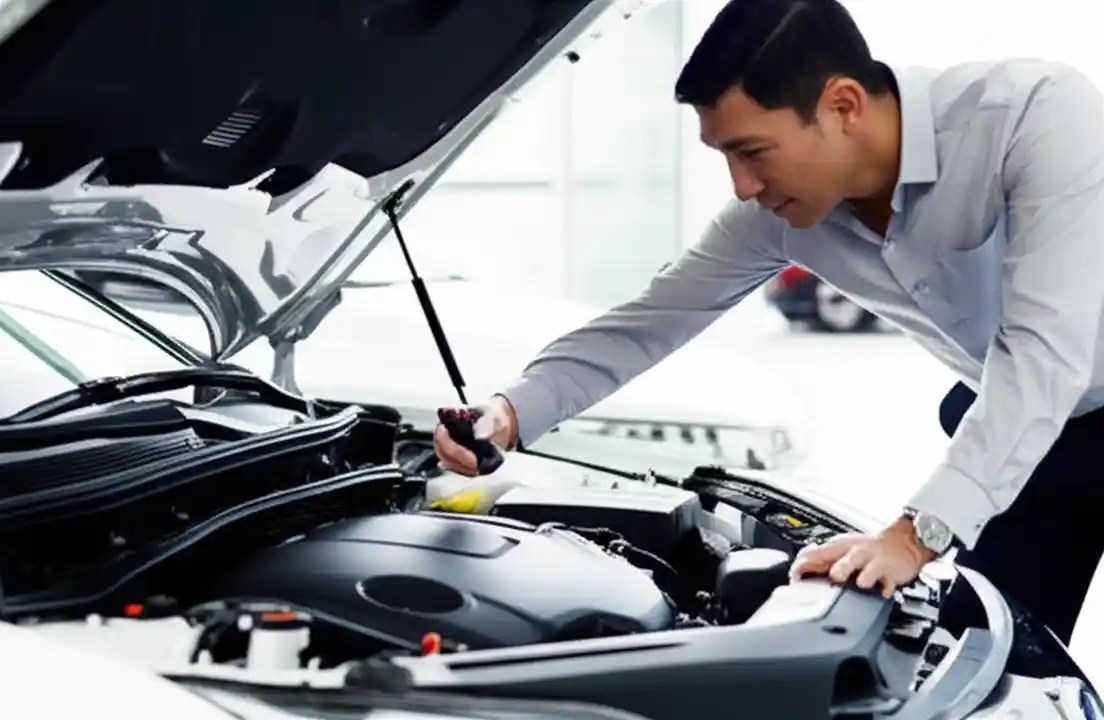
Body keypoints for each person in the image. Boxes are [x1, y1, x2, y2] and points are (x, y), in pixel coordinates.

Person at [433, 0, 1104, 647]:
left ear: (843, 106)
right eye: (725, 155)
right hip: (1031, 442)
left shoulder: (1036, 115)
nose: (741, 186)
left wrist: (910, 536)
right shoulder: (779, 218)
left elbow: (1042, 352)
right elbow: (646, 323)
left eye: (753, 151)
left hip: (1036, 393)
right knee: (998, 660)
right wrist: (509, 412)